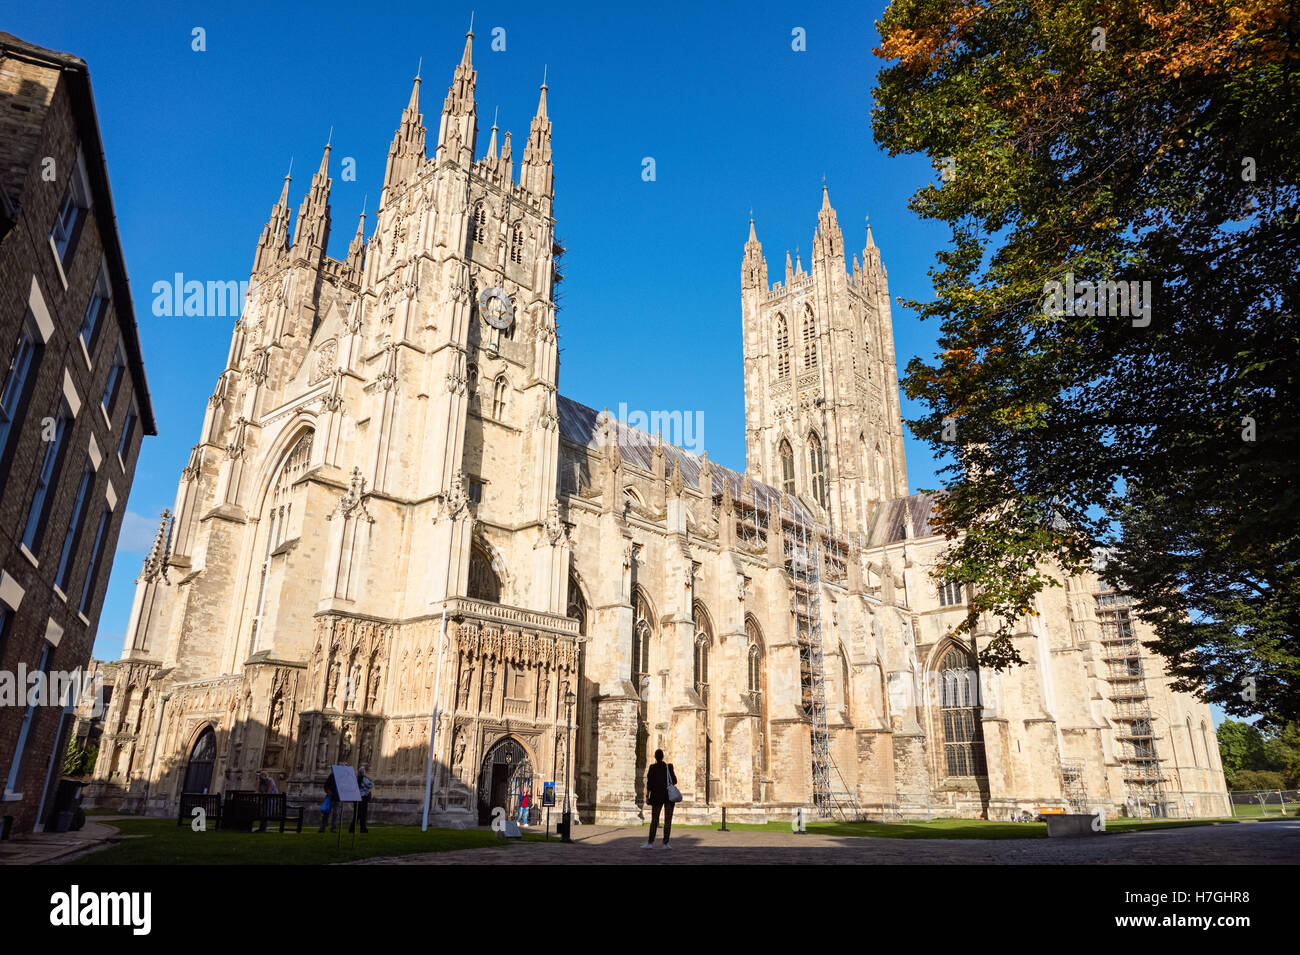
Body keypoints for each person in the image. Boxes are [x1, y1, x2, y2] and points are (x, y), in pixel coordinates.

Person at [641, 749, 677, 850]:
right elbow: (674, 780)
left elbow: (649, 785)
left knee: (654, 820)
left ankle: (650, 842)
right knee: (668, 820)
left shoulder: (652, 768)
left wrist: (647, 796)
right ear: (663, 756)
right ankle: (665, 843)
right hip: (668, 797)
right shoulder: (668, 767)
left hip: (657, 796)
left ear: (655, 757)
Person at [350, 768, 373, 834]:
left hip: (356, 798)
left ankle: (352, 828)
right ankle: (363, 829)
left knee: (356, 814)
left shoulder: (355, 779)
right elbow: (371, 784)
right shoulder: (364, 779)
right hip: (363, 798)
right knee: (363, 814)